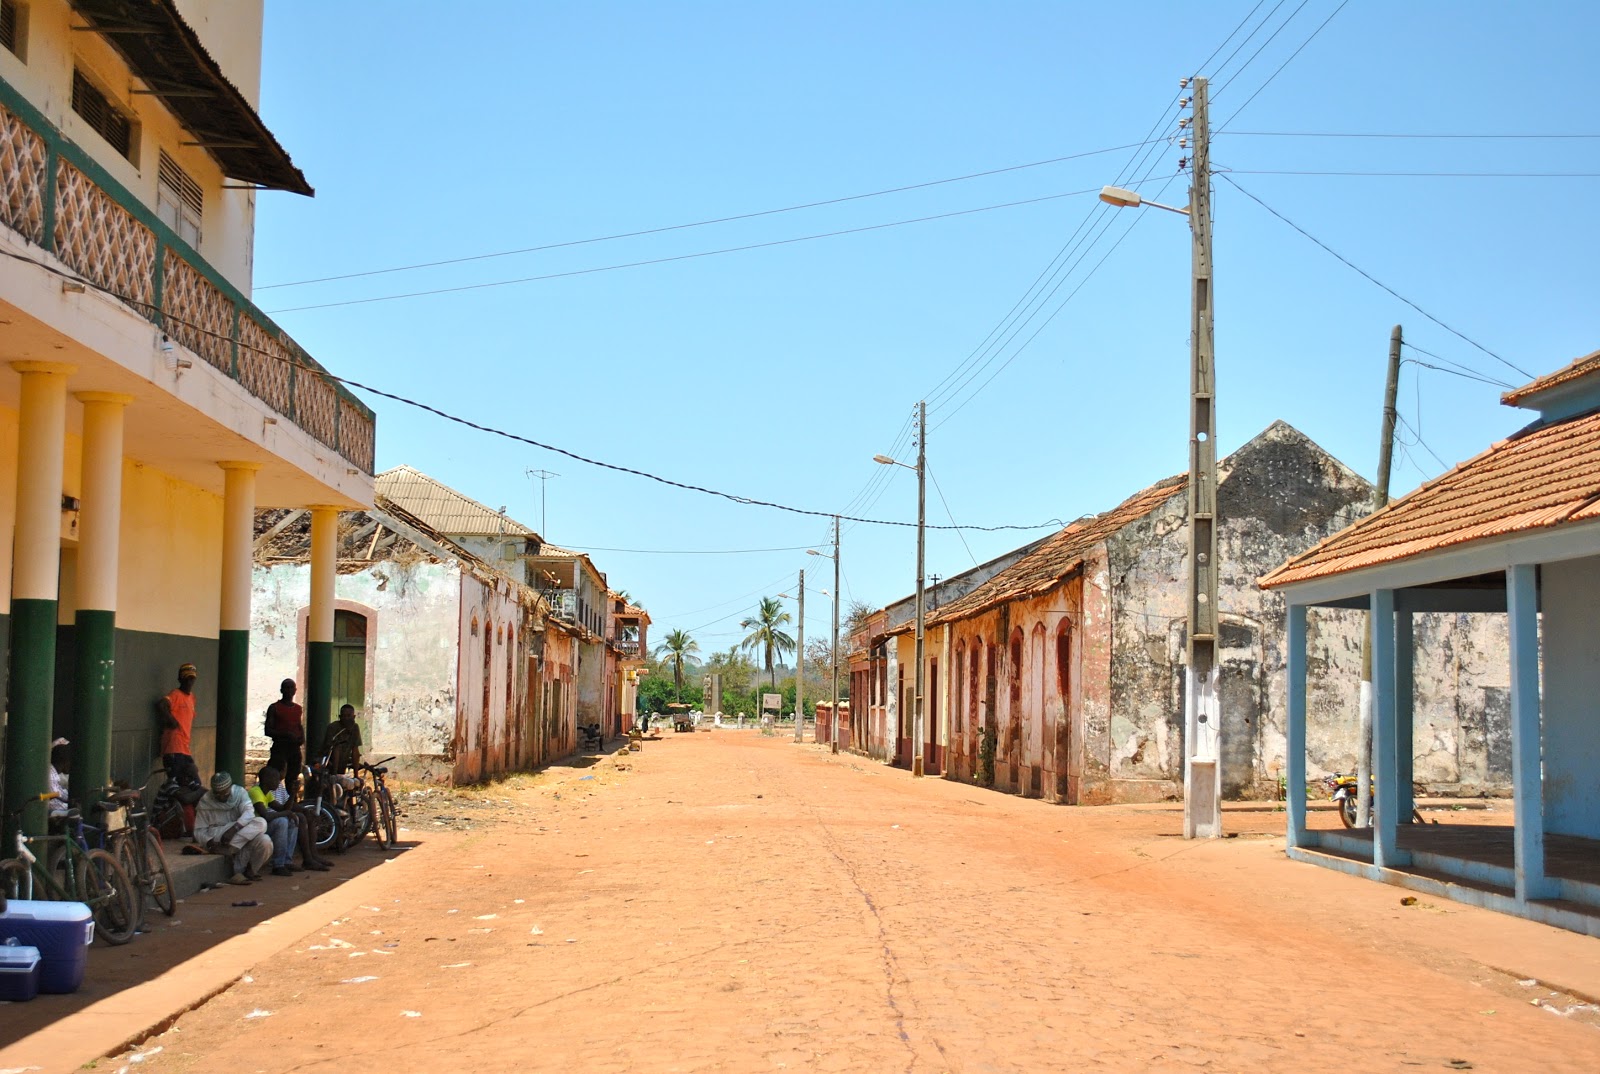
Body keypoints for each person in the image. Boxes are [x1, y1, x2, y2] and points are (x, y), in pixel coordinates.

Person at [248, 765, 330, 875]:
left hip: (264, 826)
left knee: (291, 820)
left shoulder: (267, 793)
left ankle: (286, 861)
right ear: (267, 779)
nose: (278, 782)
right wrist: (287, 813)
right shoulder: (255, 791)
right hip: (255, 828)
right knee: (282, 821)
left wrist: (293, 793)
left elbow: (283, 808)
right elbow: (266, 816)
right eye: (276, 779)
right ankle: (278, 864)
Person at [195, 771, 271, 885]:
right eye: (218, 794)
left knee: (265, 837)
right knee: (260, 824)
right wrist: (210, 842)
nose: (221, 797)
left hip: (234, 835)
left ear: (230, 788)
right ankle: (233, 858)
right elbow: (198, 831)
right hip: (218, 835)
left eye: (225, 794)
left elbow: (249, 813)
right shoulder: (206, 801)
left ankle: (248, 870)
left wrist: (234, 829)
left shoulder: (239, 793)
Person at [157, 663, 202, 837]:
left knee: (193, 784)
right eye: (186, 678)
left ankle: (188, 824)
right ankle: (174, 824)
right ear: (180, 678)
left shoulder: (192, 698)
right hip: (174, 747)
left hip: (185, 748)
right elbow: (161, 705)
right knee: (176, 788)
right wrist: (171, 721)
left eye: (192, 678)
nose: (190, 681)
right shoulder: (175, 695)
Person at [264, 679, 305, 800]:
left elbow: (298, 725)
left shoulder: (298, 709)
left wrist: (302, 737)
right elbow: (268, 730)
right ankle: (271, 801)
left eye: (291, 688)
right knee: (274, 776)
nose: (289, 690)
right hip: (280, 747)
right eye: (286, 688)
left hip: (294, 748)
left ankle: (291, 802)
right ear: (281, 690)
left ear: (295, 691)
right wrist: (285, 734)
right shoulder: (274, 707)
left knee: (292, 778)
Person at [327, 704, 363, 774]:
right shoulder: (333, 727)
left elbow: (355, 750)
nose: (346, 718)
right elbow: (333, 749)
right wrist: (335, 774)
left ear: (354, 717)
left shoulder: (355, 728)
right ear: (340, 717)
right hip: (329, 764)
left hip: (343, 764)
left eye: (349, 716)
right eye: (344, 716)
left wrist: (356, 775)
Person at [46, 741, 70, 817]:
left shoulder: (54, 774)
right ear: (65, 761)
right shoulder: (50, 775)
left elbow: (62, 794)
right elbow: (55, 805)